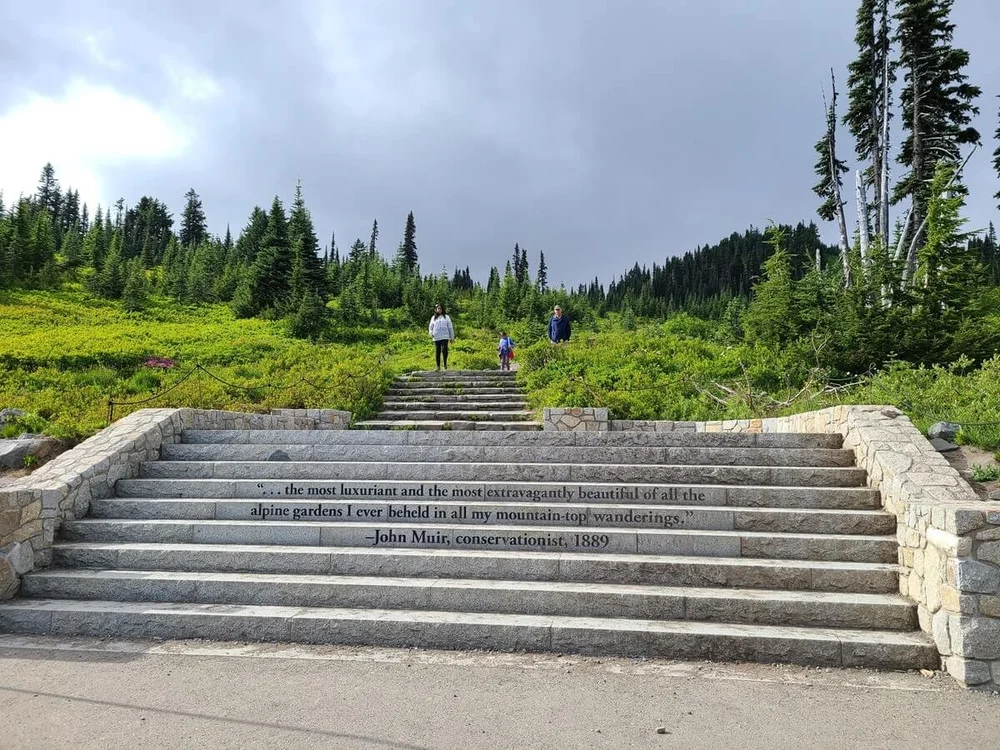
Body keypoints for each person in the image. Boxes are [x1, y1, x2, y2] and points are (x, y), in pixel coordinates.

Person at [428, 302, 455, 370]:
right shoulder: (433, 317)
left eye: (440, 309)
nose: (439, 310)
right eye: (438, 309)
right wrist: (431, 333)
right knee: (437, 351)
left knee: (444, 349)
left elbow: (450, 327)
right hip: (436, 337)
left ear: (442, 309)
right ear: (436, 309)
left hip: (445, 336)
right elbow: (430, 327)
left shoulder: (447, 317)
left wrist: (451, 337)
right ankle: (438, 366)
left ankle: (445, 364)